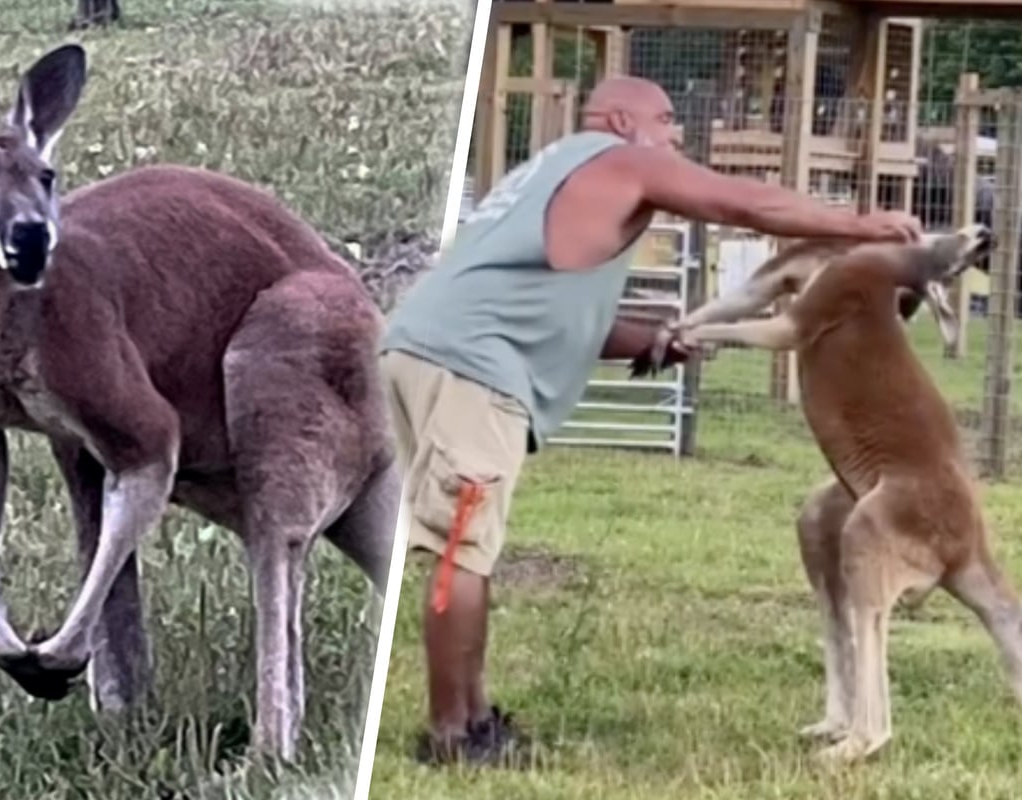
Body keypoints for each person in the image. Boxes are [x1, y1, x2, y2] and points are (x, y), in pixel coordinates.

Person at [377, 75, 923, 767]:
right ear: (618, 118)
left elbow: (551, 308)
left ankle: (474, 717)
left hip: (419, 351)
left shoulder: (547, 173)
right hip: (472, 368)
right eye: (665, 119)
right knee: (464, 548)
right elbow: (742, 202)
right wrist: (857, 225)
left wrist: (652, 341)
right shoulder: (624, 158)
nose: (676, 136)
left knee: (460, 542)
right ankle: (456, 736)